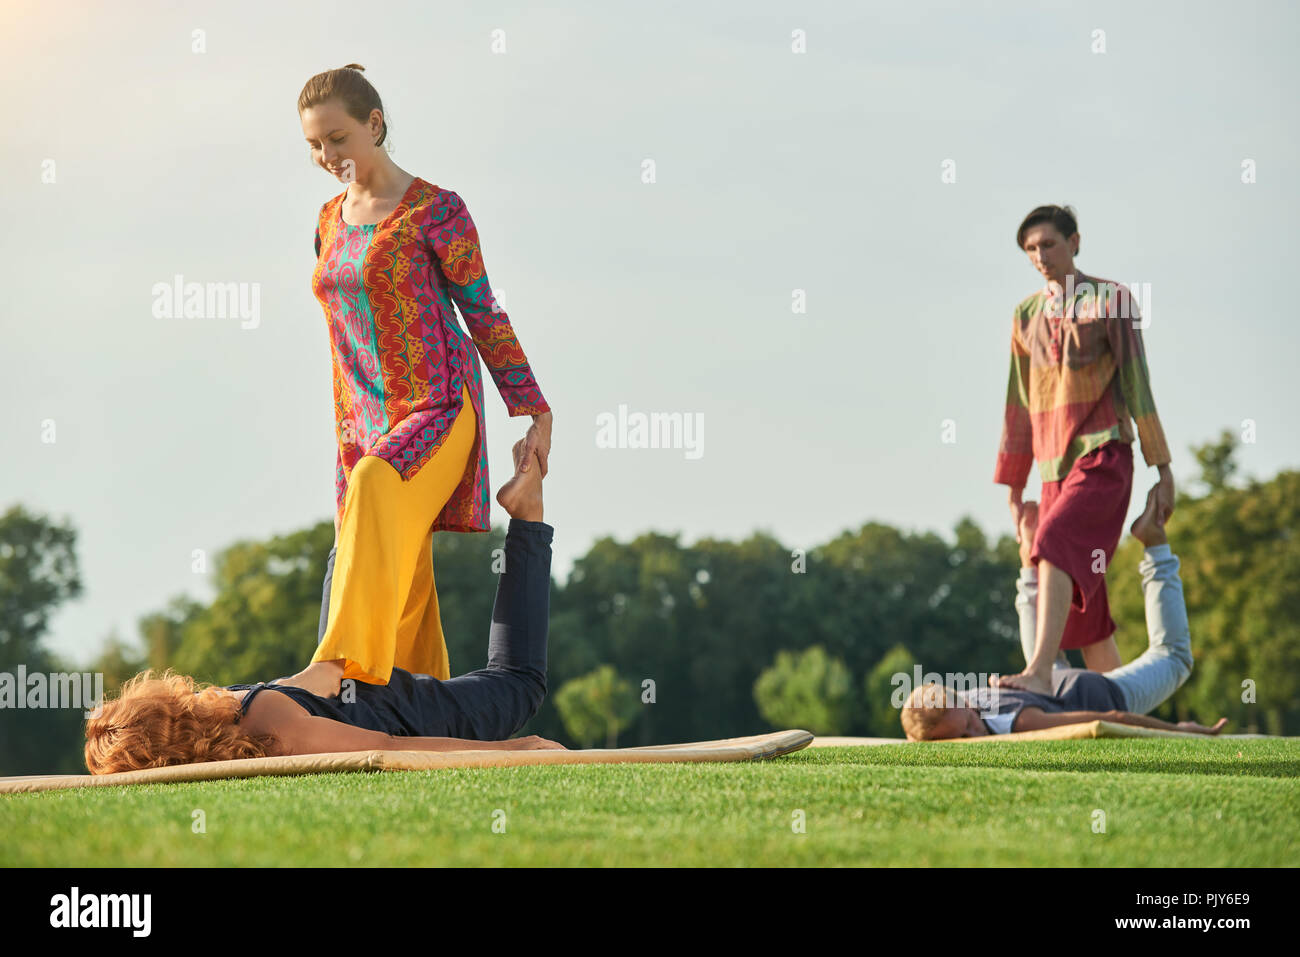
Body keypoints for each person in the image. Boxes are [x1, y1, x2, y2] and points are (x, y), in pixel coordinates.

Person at [294, 63, 553, 699]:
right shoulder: (328, 220)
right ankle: (416, 700)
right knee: (397, 567)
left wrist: (534, 410)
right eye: (314, 145)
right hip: (363, 422)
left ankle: (333, 666)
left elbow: (484, 313)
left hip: (438, 407)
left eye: (338, 138)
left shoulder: (438, 211)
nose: (328, 156)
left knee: (377, 484)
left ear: (374, 125)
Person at [83, 443, 565, 775]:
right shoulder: (227, 707)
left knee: (519, 684)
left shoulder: (271, 728)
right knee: (336, 644)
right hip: (359, 691)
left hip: (398, 707)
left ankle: (526, 515)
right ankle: (352, 522)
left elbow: (386, 748)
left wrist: (512, 748)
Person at [993, 204, 1174, 695]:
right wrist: (1014, 484)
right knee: (1088, 616)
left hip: (1104, 456)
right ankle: (1123, 715)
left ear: (1075, 242)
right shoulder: (1025, 315)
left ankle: (1037, 673)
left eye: (1048, 244)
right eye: (1031, 249)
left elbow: (1138, 384)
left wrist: (1163, 468)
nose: (1040, 256)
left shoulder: (1111, 300)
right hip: (1052, 470)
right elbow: (1019, 403)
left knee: (1051, 545)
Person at [900, 485, 1226, 740]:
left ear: (959, 700)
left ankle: (1155, 544)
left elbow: (1111, 720)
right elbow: (918, 727)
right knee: (1044, 658)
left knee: (1173, 656)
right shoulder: (961, 699)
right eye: (963, 735)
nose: (975, 732)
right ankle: (1029, 560)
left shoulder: (1019, 722)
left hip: (1096, 696)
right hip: (1048, 684)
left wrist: (1179, 731)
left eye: (969, 722)